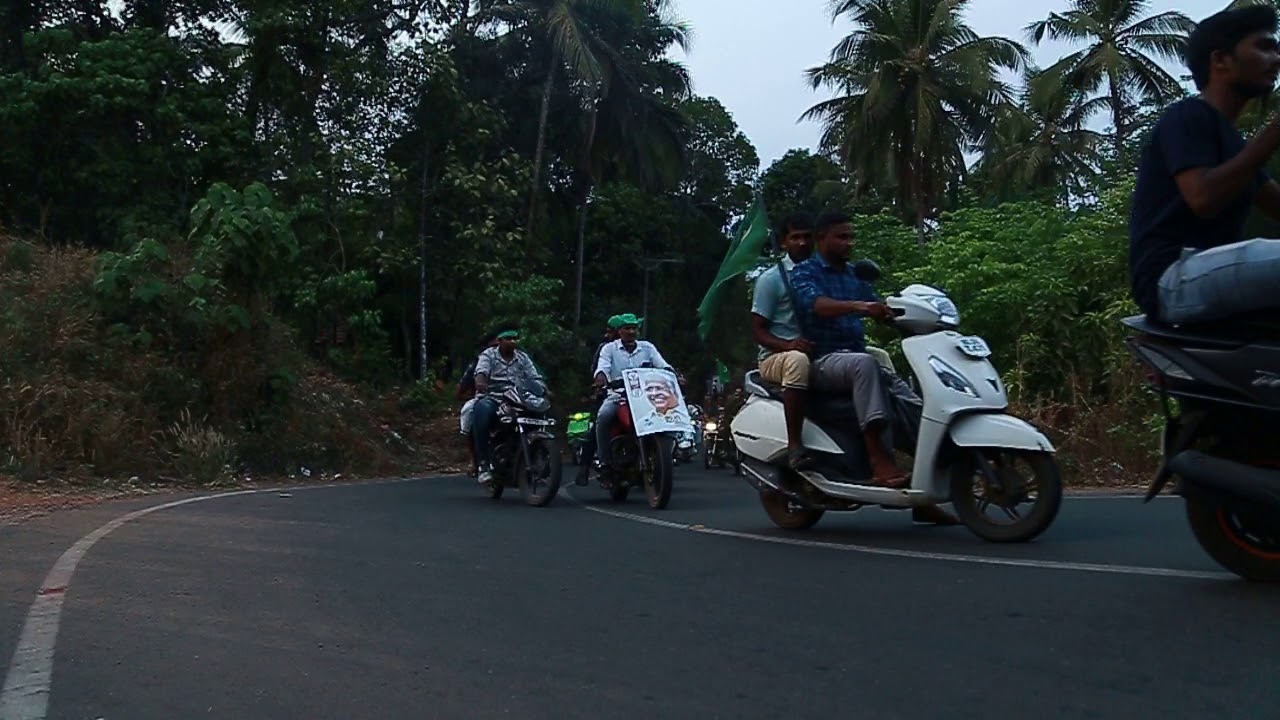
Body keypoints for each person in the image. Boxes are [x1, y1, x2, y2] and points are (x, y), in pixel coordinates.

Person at [791, 213, 959, 525]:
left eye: (851, 237)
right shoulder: (805, 272)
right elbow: (816, 305)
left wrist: (903, 313)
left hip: (854, 358)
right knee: (866, 364)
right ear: (821, 239)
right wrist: (860, 307)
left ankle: (925, 491)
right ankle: (878, 460)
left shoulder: (855, 275)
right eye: (842, 237)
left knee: (911, 404)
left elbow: (880, 306)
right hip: (823, 361)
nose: (849, 243)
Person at [1130, 5, 1280, 327]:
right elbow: (1202, 198)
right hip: (1173, 276)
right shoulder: (1186, 116)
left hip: (1208, 275)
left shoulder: (1237, 147)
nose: (1276, 59)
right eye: (1264, 47)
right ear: (1220, 61)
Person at [750, 211, 817, 471]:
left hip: (818, 350)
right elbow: (758, 331)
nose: (802, 243)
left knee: (874, 357)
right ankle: (795, 445)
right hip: (776, 357)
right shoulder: (771, 279)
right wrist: (789, 345)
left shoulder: (821, 272)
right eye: (795, 237)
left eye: (807, 237)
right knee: (797, 361)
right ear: (784, 243)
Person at [591, 313, 680, 482]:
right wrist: (601, 377)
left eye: (634, 328)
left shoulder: (647, 348)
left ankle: (667, 452)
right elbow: (602, 366)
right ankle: (605, 463)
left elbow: (662, 364)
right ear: (619, 331)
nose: (631, 332)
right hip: (618, 396)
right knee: (603, 416)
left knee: (668, 416)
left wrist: (674, 374)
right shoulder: (609, 349)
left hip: (647, 397)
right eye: (627, 328)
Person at [472, 329, 546, 485]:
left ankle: (537, 456)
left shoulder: (522, 358)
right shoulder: (488, 355)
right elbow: (481, 372)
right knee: (482, 411)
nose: (513, 342)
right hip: (494, 398)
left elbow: (534, 377)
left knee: (540, 412)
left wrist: (543, 389)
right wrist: (481, 382)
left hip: (518, 398)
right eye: (508, 339)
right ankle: (483, 465)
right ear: (499, 341)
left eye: (515, 338)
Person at [457, 330, 499, 477]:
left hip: (516, 398)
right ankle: (476, 460)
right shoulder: (481, 361)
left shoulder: (520, 359)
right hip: (488, 398)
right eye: (495, 344)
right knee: (469, 412)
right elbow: (462, 388)